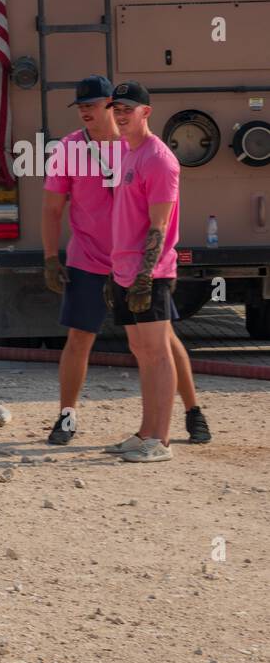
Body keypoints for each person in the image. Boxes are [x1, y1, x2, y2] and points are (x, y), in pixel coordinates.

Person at [41, 77, 211, 448]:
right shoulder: (70, 149)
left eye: (95, 104)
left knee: (163, 341)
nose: (87, 111)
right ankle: (67, 416)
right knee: (80, 336)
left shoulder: (136, 146)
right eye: (80, 106)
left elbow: (159, 215)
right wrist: (51, 257)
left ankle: (192, 412)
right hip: (90, 258)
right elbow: (52, 208)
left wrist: (149, 271)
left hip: (137, 264)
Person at [104, 82, 186, 462]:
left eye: (128, 109)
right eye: (117, 109)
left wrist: (143, 277)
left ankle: (162, 441)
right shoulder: (126, 152)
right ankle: (145, 432)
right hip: (123, 270)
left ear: (146, 112)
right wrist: (116, 271)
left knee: (157, 353)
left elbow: (159, 226)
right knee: (141, 352)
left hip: (148, 273)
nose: (121, 115)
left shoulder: (159, 159)